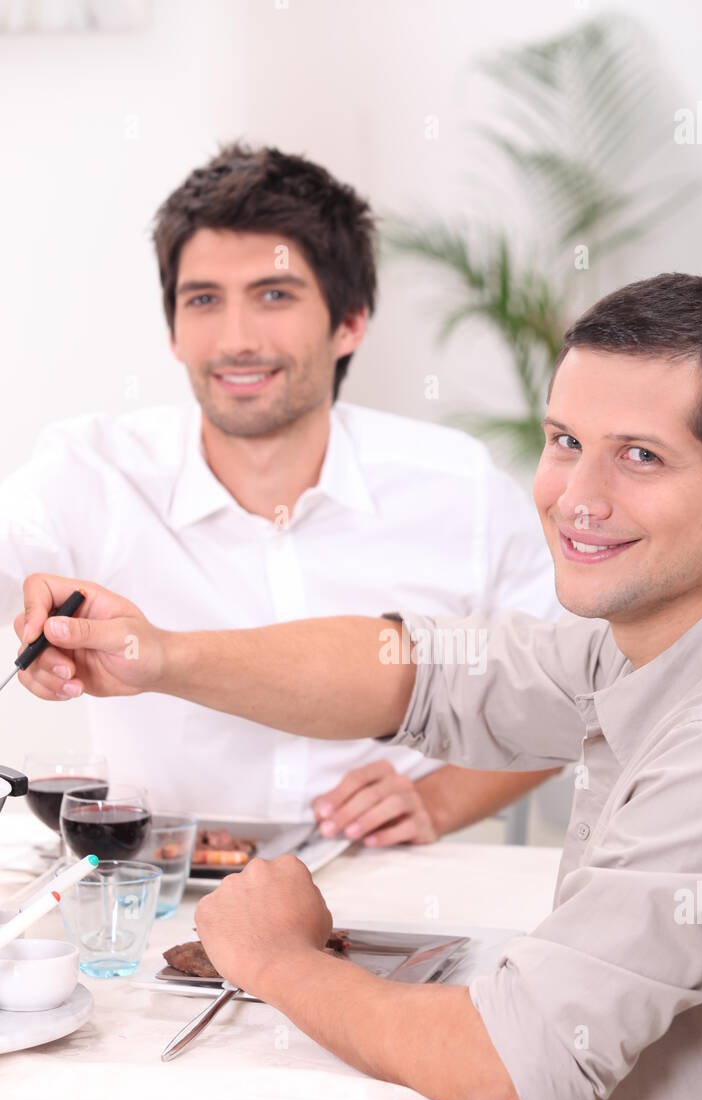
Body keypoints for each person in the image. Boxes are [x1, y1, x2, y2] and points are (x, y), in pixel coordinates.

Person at [14, 273, 702, 1100]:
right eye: (563, 442)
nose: (576, 497)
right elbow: (423, 668)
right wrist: (158, 654)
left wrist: (275, 958)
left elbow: (510, 1069)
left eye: (638, 457)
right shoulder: (689, 628)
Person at [0, 141, 561, 840]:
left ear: (349, 321)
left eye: (273, 295)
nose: (236, 339)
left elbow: (574, 692)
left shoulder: (459, 489)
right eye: (203, 299)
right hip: (153, 889)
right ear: (173, 330)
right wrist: (37, 633)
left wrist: (441, 800)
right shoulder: (90, 473)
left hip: (387, 888)